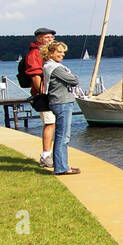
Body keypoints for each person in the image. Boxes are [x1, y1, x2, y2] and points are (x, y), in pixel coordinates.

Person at [42, 41, 82, 176]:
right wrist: (73, 77)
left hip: (58, 102)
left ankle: (63, 165)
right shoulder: (56, 68)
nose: (62, 54)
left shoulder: (49, 66)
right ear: (51, 52)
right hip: (62, 103)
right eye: (59, 52)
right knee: (63, 136)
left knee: (62, 135)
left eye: (63, 52)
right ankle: (61, 167)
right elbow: (74, 80)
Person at [25, 27, 57, 167]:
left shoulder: (45, 53)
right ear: (38, 38)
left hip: (52, 93)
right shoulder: (35, 53)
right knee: (49, 123)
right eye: (47, 37)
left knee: (53, 123)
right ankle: (46, 155)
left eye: (51, 37)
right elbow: (35, 74)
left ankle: (50, 154)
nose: (50, 39)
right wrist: (41, 93)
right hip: (44, 94)